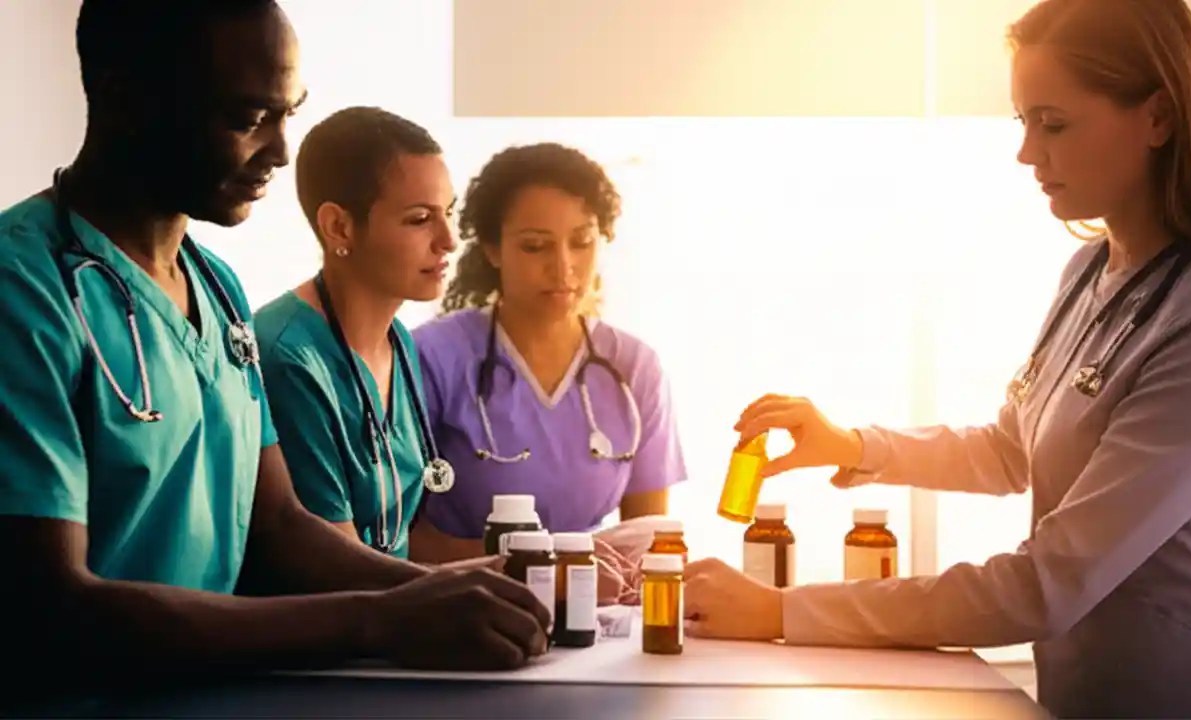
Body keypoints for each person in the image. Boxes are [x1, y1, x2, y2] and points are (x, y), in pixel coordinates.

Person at [683, 1, 1191, 718]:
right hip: (1080, 696)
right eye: (1022, 122)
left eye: (1053, 123)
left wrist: (781, 610)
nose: (1028, 152)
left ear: (1158, 117)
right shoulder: (1092, 272)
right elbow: (1011, 449)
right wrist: (853, 446)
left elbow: (1042, 587)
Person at [0, 1, 547, 703]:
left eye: (288, 113)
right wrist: (376, 619)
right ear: (124, 97)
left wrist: (454, 594)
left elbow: (278, 525)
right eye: (246, 119)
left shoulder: (218, 290)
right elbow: (49, 608)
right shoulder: (25, 291)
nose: (283, 151)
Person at [409, 143, 687, 563]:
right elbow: (395, 538)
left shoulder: (634, 369)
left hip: (596, 611)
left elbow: (649, 543)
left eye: (581, 242)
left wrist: (572, 580)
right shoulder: (431, 358)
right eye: (535, 246)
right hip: (459, 603)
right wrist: (529, 568)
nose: (563, 267)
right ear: (492, 249)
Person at [255, 106, 457, 561]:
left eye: (449, 212)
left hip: (393, 616)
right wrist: (511, 574)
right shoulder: (286, 356)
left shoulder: (399, 343)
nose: (449, 240)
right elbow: (334, 566)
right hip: (326, 622)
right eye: (420, 218)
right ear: (339, 226)